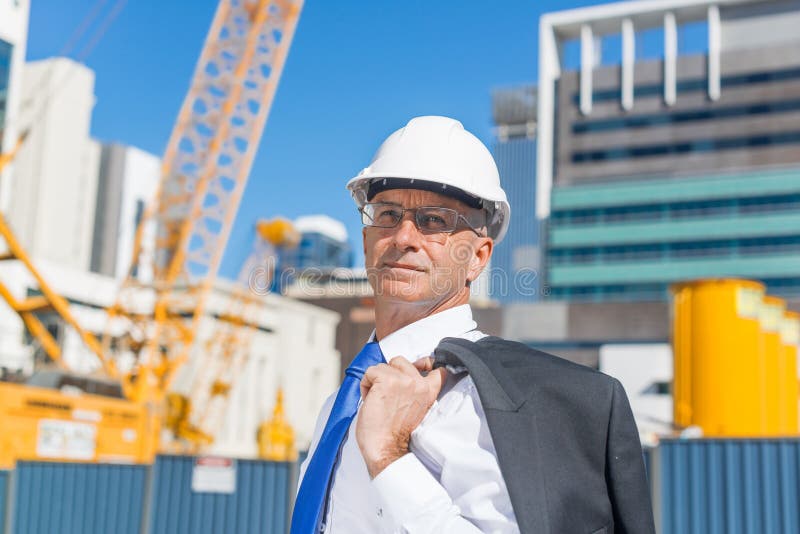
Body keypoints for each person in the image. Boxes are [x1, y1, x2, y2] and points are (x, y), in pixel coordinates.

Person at [290, 116, 655, 533]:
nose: (403, 236)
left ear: (479, 257)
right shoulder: (339, 403)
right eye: (387, 214)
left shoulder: (500, 404)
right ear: (366, 238)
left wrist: (390, 458)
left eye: (434, 221)